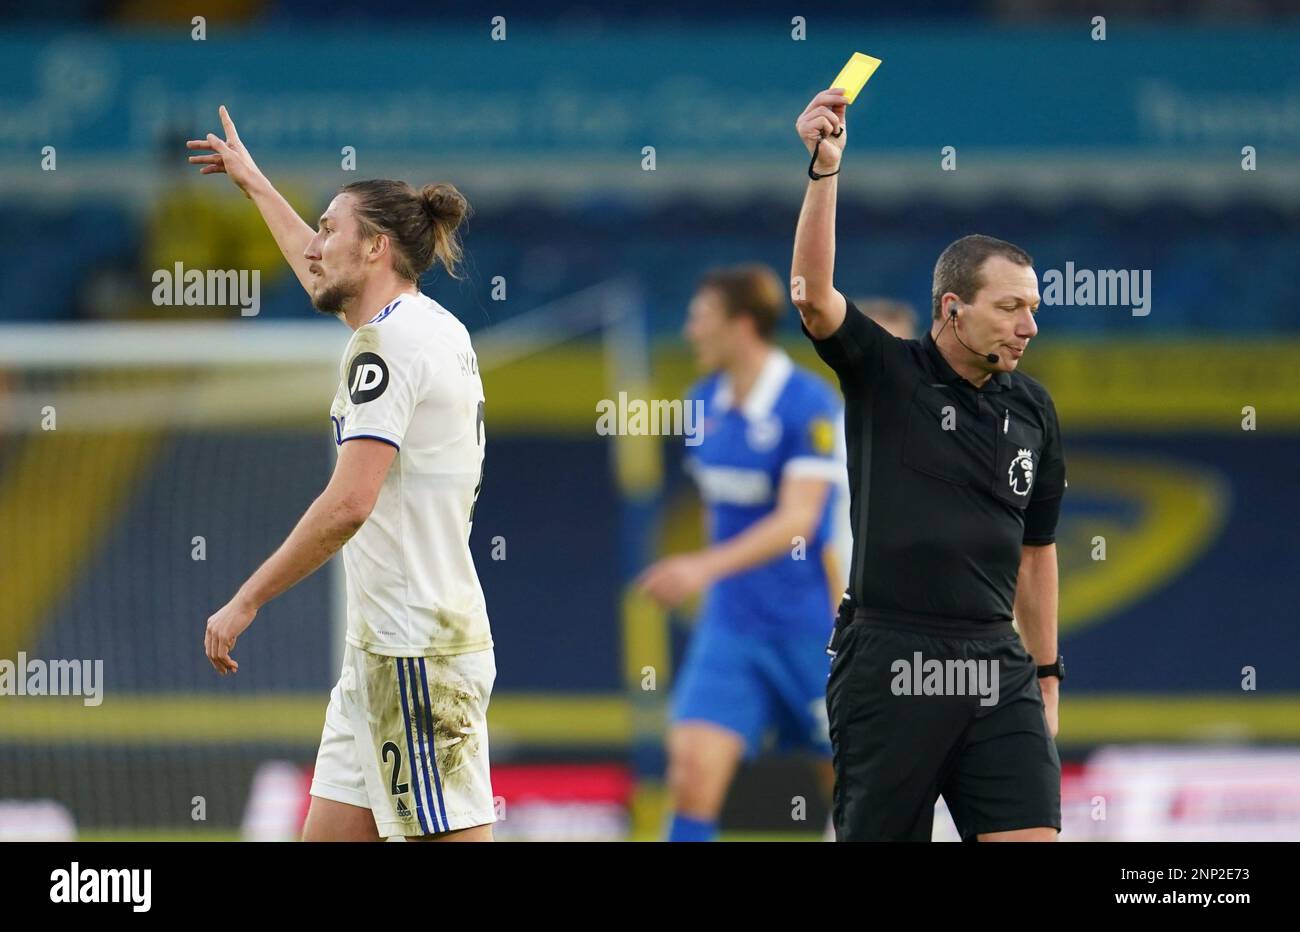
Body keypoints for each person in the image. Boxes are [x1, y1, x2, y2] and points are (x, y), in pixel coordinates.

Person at [190, 106, 496, 842]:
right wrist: (256, 183)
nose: (317, 245)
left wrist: (246, 599)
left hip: (414, 652)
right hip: (380, 653)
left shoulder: (386, 347)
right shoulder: (429, 326)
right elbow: (318, 271)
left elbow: (349, 504)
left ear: (376, 248)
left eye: (331, 229)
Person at [791, 88, 1067, 842]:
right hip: (891, 660)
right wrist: (825, 171)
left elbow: (1036, 556)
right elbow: (814, 298)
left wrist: (1044, 677)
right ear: (951, 307)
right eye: (1011, 307)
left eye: (1034, 308)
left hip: (995, 664)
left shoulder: (1035, 412)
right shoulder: (888, 375)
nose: (1029, 325)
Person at [638, 263, 843, 842]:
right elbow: (716, 510)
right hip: (730, 630)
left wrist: (701, 567)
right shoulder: (701, 404)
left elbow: (800, 519)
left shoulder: (808, 404)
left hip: (809, 631)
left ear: (743, 324)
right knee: (691, 772)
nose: (690, 331)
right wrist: (714, 579)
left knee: (858, 781)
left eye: (701, 318)